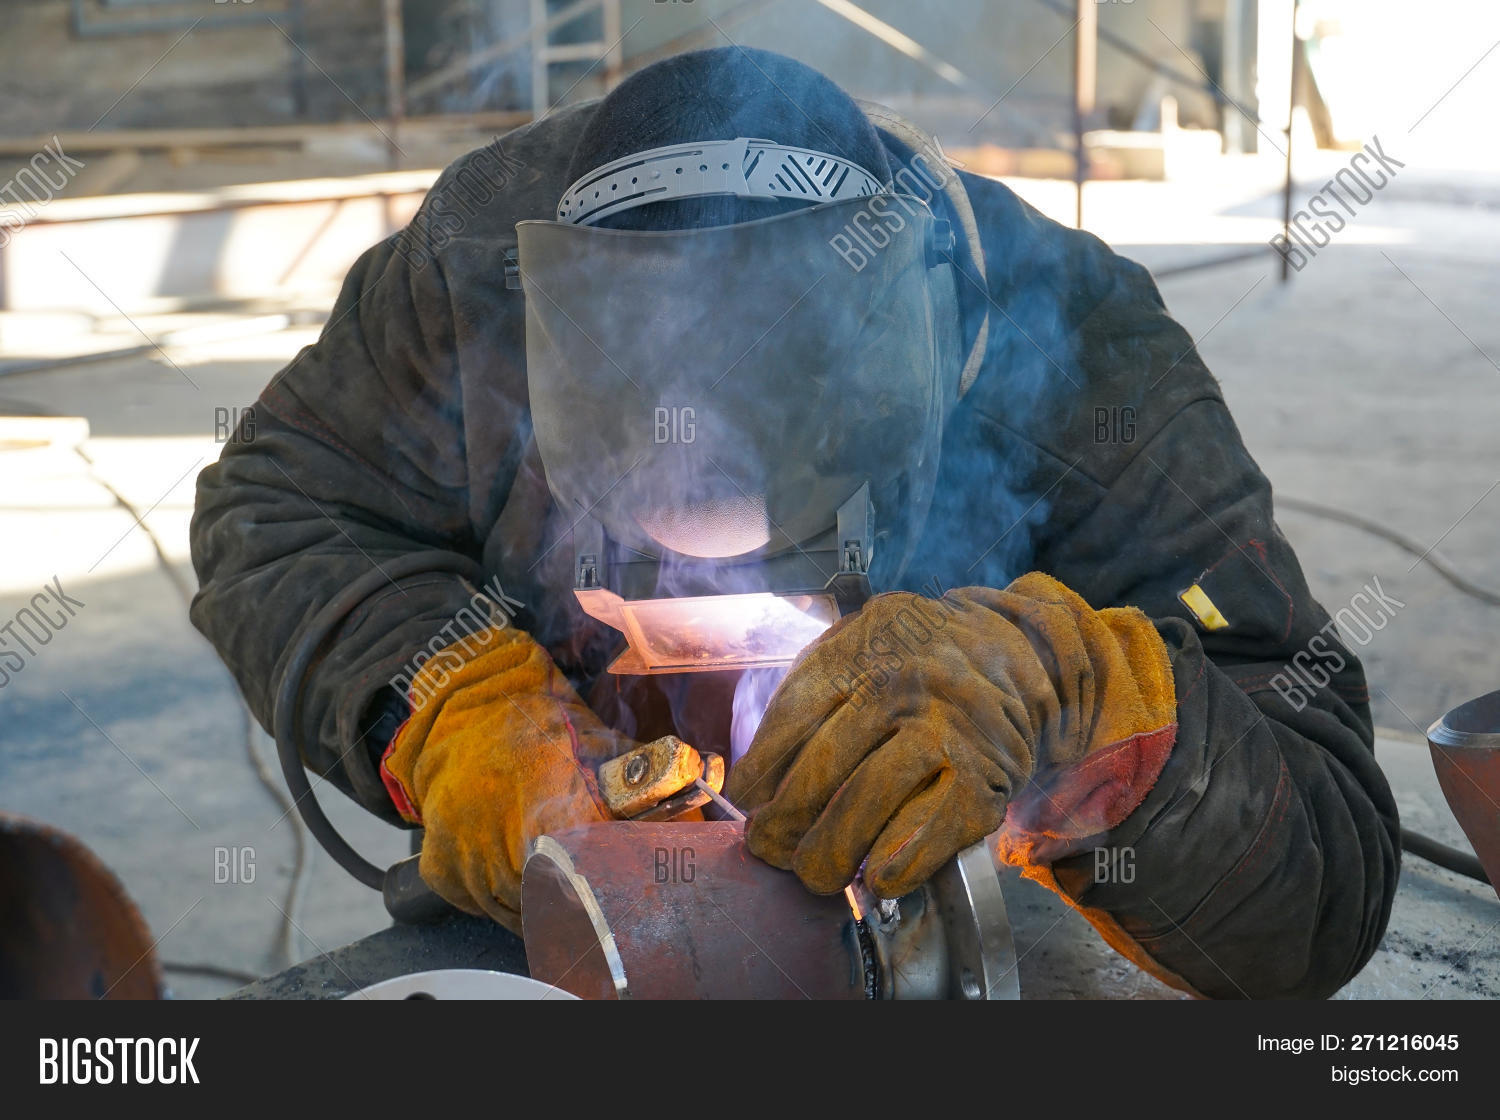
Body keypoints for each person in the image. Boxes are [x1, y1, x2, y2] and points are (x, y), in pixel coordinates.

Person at [190, 47, 1399, 999]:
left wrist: (1075, 705)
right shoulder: (470, 279)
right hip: (577, 924)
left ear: (917, 358)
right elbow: (278, 509)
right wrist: (452, 702)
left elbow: (1326, 868)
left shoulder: (1080, 358)